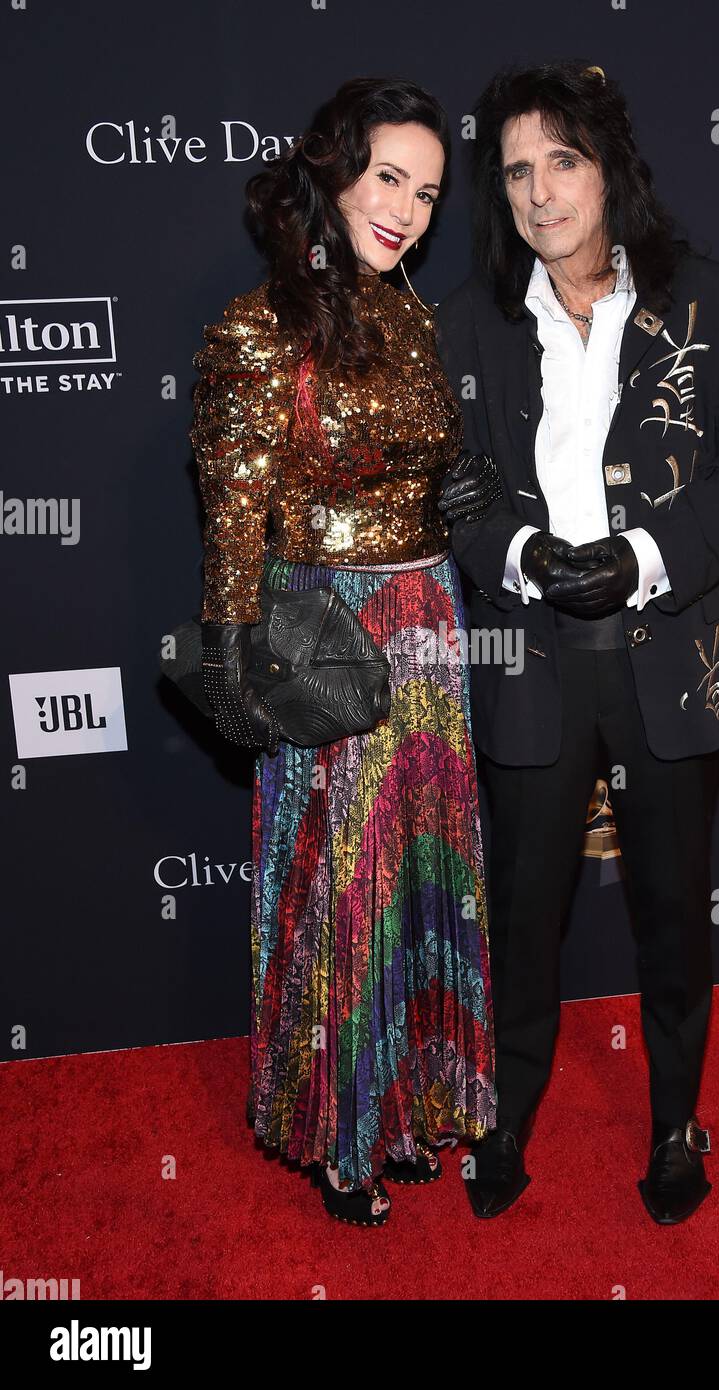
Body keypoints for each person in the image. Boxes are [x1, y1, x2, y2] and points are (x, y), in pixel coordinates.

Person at [434, 60, 719, 1222]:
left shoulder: (715, 303)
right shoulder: (467, 324)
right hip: (531, 663)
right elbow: (457, 492)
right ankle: (504, 1114)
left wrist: (638, 556)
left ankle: (676, 1125)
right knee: (521, 914)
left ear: (610, 169)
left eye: (562, 162)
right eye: (515, 172)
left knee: (673, 916)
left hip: (665, 659)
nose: (539, 193)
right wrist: (524, 556)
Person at [189, 77, 496, 1227]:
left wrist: (458, 490)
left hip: (429, 623)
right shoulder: (256, 326)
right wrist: (231, 657)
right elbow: (233, 514)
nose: (406, 211)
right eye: (387, 179)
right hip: (328, 634)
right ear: (330, 175)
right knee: (346, 883)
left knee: (421, 867)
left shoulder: (414, 316)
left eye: (427, 193)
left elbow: (428, 467)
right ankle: (342, 1130)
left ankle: (413, 1098)